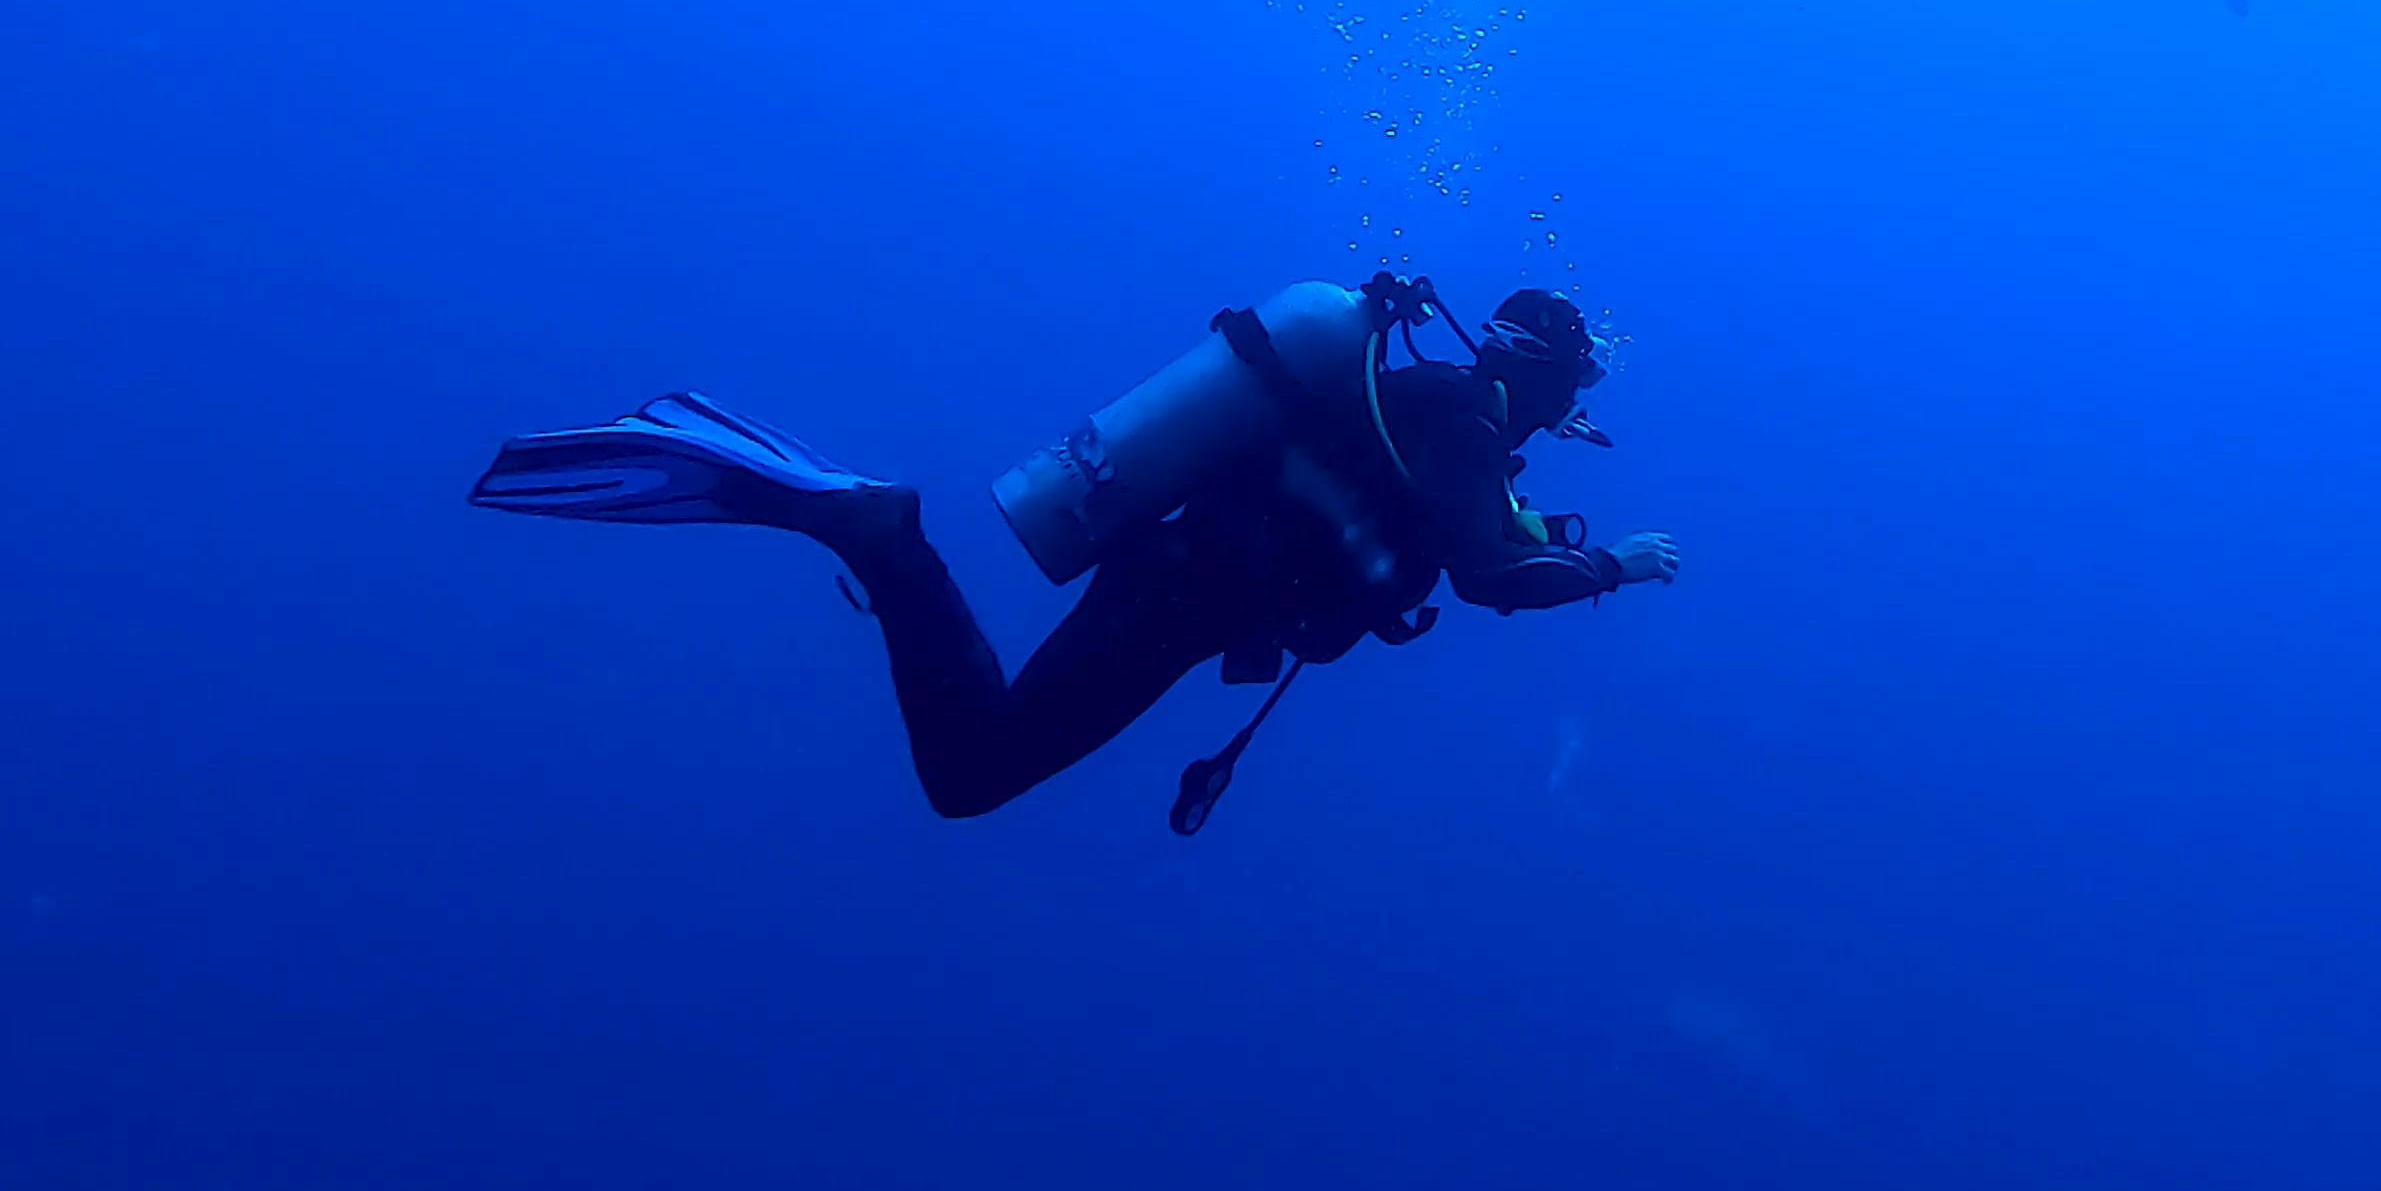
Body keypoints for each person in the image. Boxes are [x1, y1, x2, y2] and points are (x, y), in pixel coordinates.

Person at [468, 287, 1680, 825]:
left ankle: (880, 543)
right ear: (1539, 380)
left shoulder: (1426, 406)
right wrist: (1615, 567)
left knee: (976, 772)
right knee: (974, 774)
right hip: (1187, 590)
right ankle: (884, 539)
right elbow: (1494, 574)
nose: (1550, 427)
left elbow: (1485, 540)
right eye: (1563, 400)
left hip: (1183, 581)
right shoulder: (1465, 422)